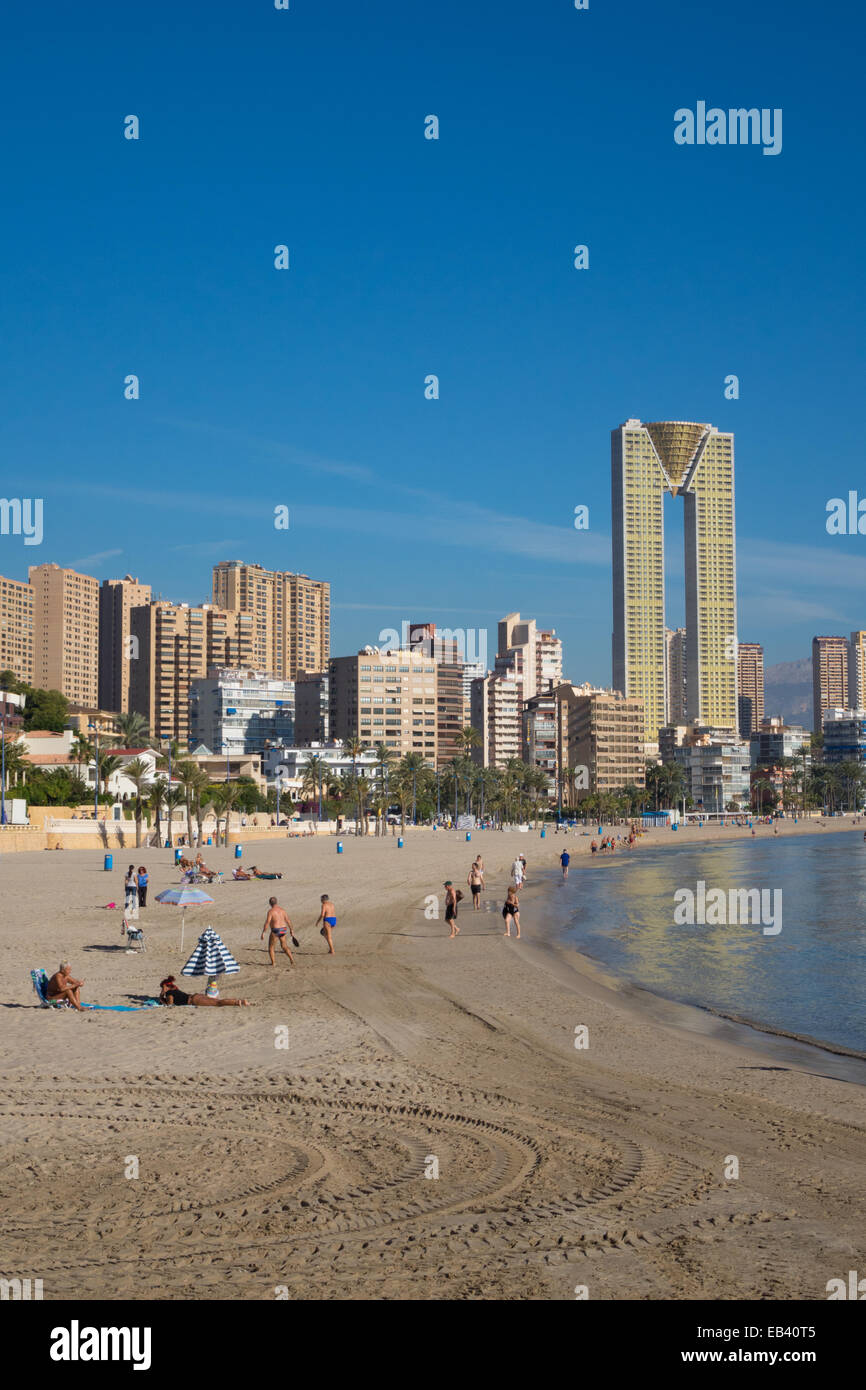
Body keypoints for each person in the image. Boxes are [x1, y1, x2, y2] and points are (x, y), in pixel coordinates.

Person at [159, 976, 251, 1007]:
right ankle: (238, 1001)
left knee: (218, 1003)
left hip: (194, 1000)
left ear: (167, 986)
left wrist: (161, 997)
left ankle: (238, 1002)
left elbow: (169, 1004)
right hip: (195, 996)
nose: (162, 989)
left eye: (163, 987)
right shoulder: (175, 989)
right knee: (217, 1001)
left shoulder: (169, 993)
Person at [261, 897, 296, 967]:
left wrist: (263, 932)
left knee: (271, 947)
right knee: (284, 946)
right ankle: (292, 960)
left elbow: (267, 922)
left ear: (270, 903)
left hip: (275, 930)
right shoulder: (283, 910)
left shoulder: (271, 911)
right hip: (283, 929)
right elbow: (288, 920)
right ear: (276, 902)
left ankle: (273, 963)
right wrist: (291, 930)